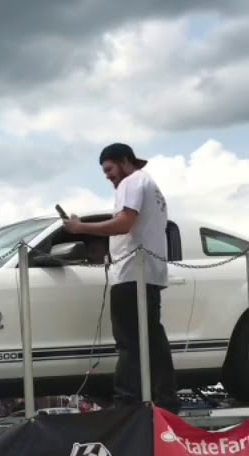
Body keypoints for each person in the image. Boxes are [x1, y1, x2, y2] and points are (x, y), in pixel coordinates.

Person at [63, 143, 180, 413]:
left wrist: (80, 228)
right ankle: (166, 399)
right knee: (152, 340)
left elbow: (124, 223)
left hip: (131, 273)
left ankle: (127, 401)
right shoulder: (149, 184)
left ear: (125, 161)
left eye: (109, 169)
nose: (108, 176)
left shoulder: (131, 182)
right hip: (149, 272)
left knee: (129, 341)